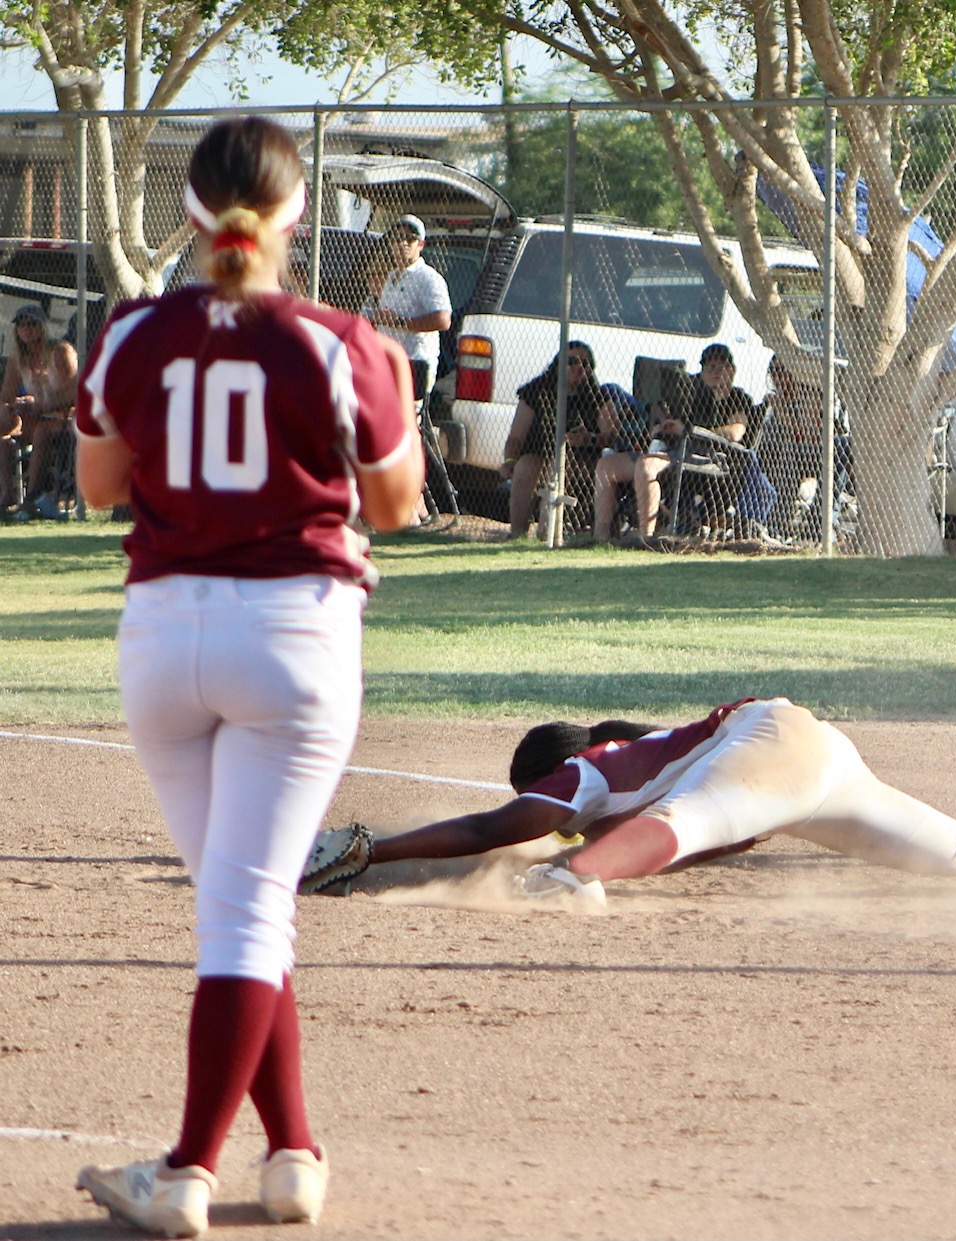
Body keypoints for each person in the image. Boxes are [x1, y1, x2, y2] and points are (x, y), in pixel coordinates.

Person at [71, 116, 424, 1238]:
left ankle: (295, 1153)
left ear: (189, 209)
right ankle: (187, 1172)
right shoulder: (336, 338)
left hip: (164, 635)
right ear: (296, 212)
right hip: (293, 633)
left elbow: (94, 487)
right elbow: (396, 504)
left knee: (244, 909)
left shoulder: (133, 331)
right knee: (246, 913)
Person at [300, 697, 956, 906]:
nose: (549, 806)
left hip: (774, 739)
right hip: (803, 758)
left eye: (547, 790)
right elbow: (736, 835)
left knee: (685, 822)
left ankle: (573, 887)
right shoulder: (660, 766)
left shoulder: (592, 766)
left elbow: (498, 824)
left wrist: (382, 850)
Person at [593, 342, 755, 543]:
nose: (717, 372)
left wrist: (690, 431)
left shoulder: (739, 398)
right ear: (702, 370)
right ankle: (600, 538)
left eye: (723, 366)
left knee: (646, 467)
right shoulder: (691, 392)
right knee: (606, 466)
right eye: (711, 367)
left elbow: (735, 432)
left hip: (703, 456)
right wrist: (663, 426)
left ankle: (647, 538)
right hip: (667, 448)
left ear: (732, 370)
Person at [500, 342, 622, 538]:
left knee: (557, 467)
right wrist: (509, 461)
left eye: (585, 363)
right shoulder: (537, 390)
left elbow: (612, 435)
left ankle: (548, 534)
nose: (579, 367)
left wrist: (589, 438)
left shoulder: (597, 395)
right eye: (572, 361)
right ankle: (517, 534)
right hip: (539, 451)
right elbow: (515, 437)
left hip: (581, 455)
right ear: (558, 364)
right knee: (524, 468)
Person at [758, 354, 851, 540]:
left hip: (810, 455)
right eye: (774, 372)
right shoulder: (770, 402)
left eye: (784, 371)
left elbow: (808, 437)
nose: (779, 378)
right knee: (787, 454)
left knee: (834, 454)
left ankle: (817, 524)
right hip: (774, 456)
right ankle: (776, 526)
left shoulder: (810, 395)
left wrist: (783, 412)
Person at [1, 302, 79, 516]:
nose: (27, 329)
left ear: (43, 327)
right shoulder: (18, 359)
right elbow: (6, 397)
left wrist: (42, 404)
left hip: (63, 418)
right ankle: (7, 496)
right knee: (4, 434)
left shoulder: (60, 352)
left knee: (42, 432)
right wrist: (13, 407)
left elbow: (74, 392)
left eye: (33, 324)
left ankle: (33, 495)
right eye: (22, 325)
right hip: (33, 417)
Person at [364, 214, 451, 403]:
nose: (402, 243)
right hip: (387, 360)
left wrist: (401, 322)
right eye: (397, 238)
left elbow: (443, 320)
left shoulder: (428, 278)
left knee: (406, 419)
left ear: (420, 244)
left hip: (414, 363)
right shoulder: (391, 276)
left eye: (410, 238)